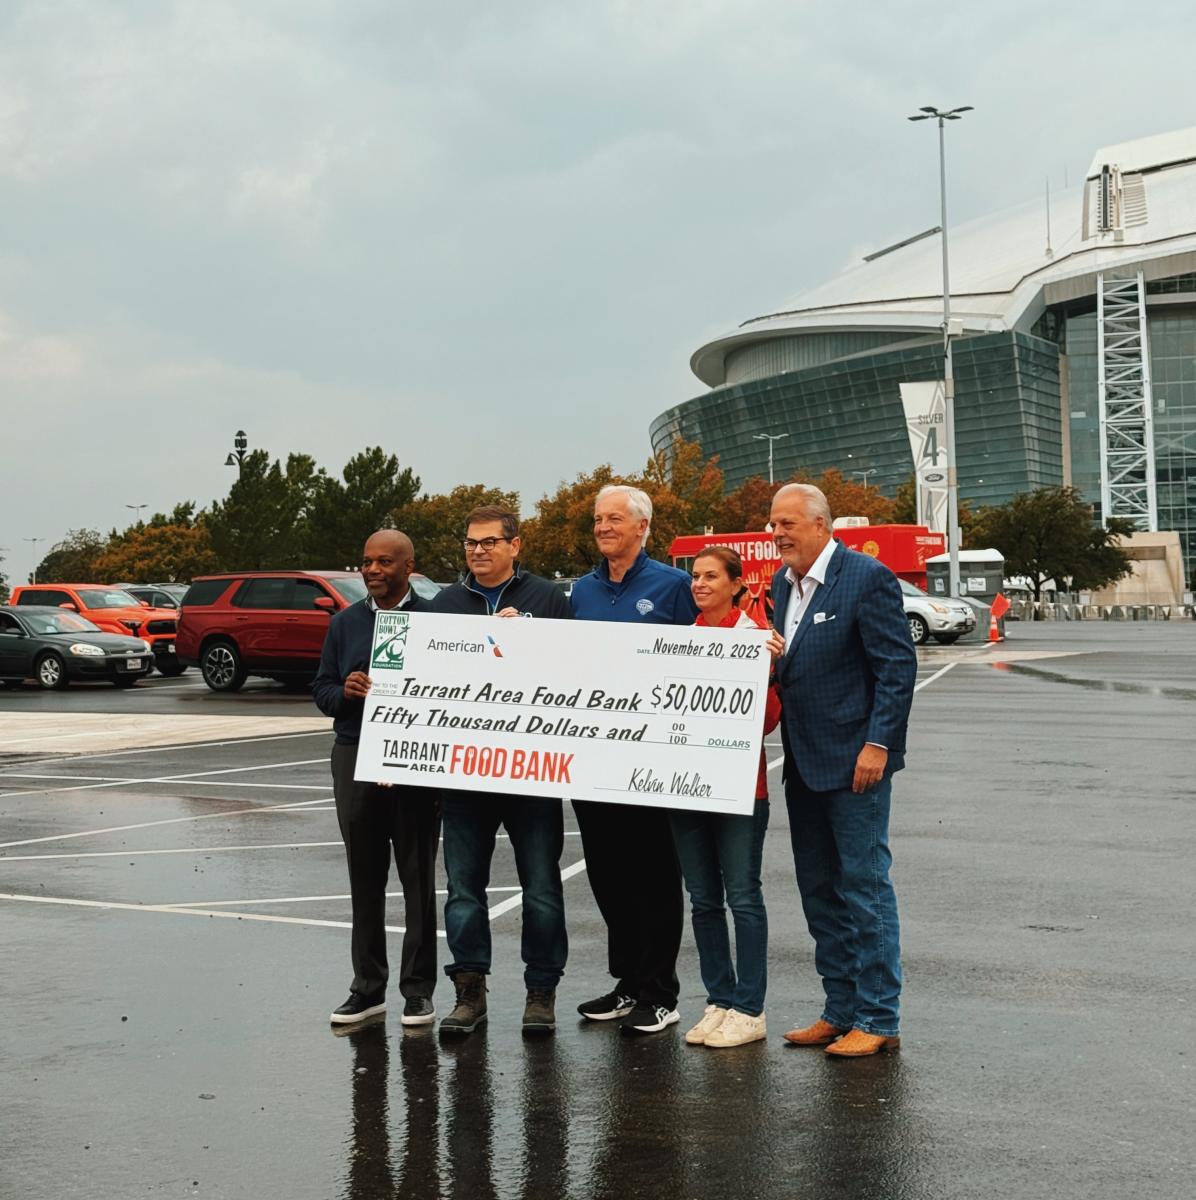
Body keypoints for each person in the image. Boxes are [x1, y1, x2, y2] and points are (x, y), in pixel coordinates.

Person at [768, 484, 917, 1057]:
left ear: (822, 524)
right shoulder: (784, 585)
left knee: (864, 887)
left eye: (787, 523)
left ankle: (878, 1018)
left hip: (857, 766)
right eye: (773, 524)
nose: (777, 534)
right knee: (818, 890)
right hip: (803, 764)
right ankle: (840, 1007)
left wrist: (879, 744)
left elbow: (896, 669)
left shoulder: (865, 576)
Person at [429, 505, 573, 1037]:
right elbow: (427, 680)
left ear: (516, 546)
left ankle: (542, 991)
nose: (478, 551)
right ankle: (470, 992)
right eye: (470, 543)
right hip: (466, 775)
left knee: (541, 887)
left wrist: (526, 643)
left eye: (490, 542)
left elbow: (575, 674)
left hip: (531, 772)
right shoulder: (444, 605)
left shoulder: (548, 601)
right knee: (464, 889)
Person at [570, 484, 699, 1036]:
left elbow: (705, 654)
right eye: (598, 519)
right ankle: (627, 983)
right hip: (592, 757)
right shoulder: (578, 591)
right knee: (607, 874)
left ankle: (660, 992)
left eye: (615, 519)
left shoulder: (673, 587)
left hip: (651, 760)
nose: (603, 527)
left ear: (643, 527)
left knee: (653, 875)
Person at [312, 529, 441, 1026]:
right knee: (364, 879)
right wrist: (344, 690)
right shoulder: (345, 623)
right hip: (355, 756)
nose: (371, 570)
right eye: (366, 561)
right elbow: (321, 691)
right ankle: (367, 988)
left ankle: (418, 990)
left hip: (414, 759)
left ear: (409, 566)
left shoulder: (436, 622)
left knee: (418, 880)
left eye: (384, 562)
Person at [671, 547, 784, 1048]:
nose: (699, 583)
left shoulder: (753, 640)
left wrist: (767, 673)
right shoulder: (680, 640)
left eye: (711, 576)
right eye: (695, 576)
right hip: (686, 786)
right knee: (702, 899)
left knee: (742, 895)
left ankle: (750, 1007)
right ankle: (719, 998)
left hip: (740, 788)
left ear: (738, 584)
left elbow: (767, 721)